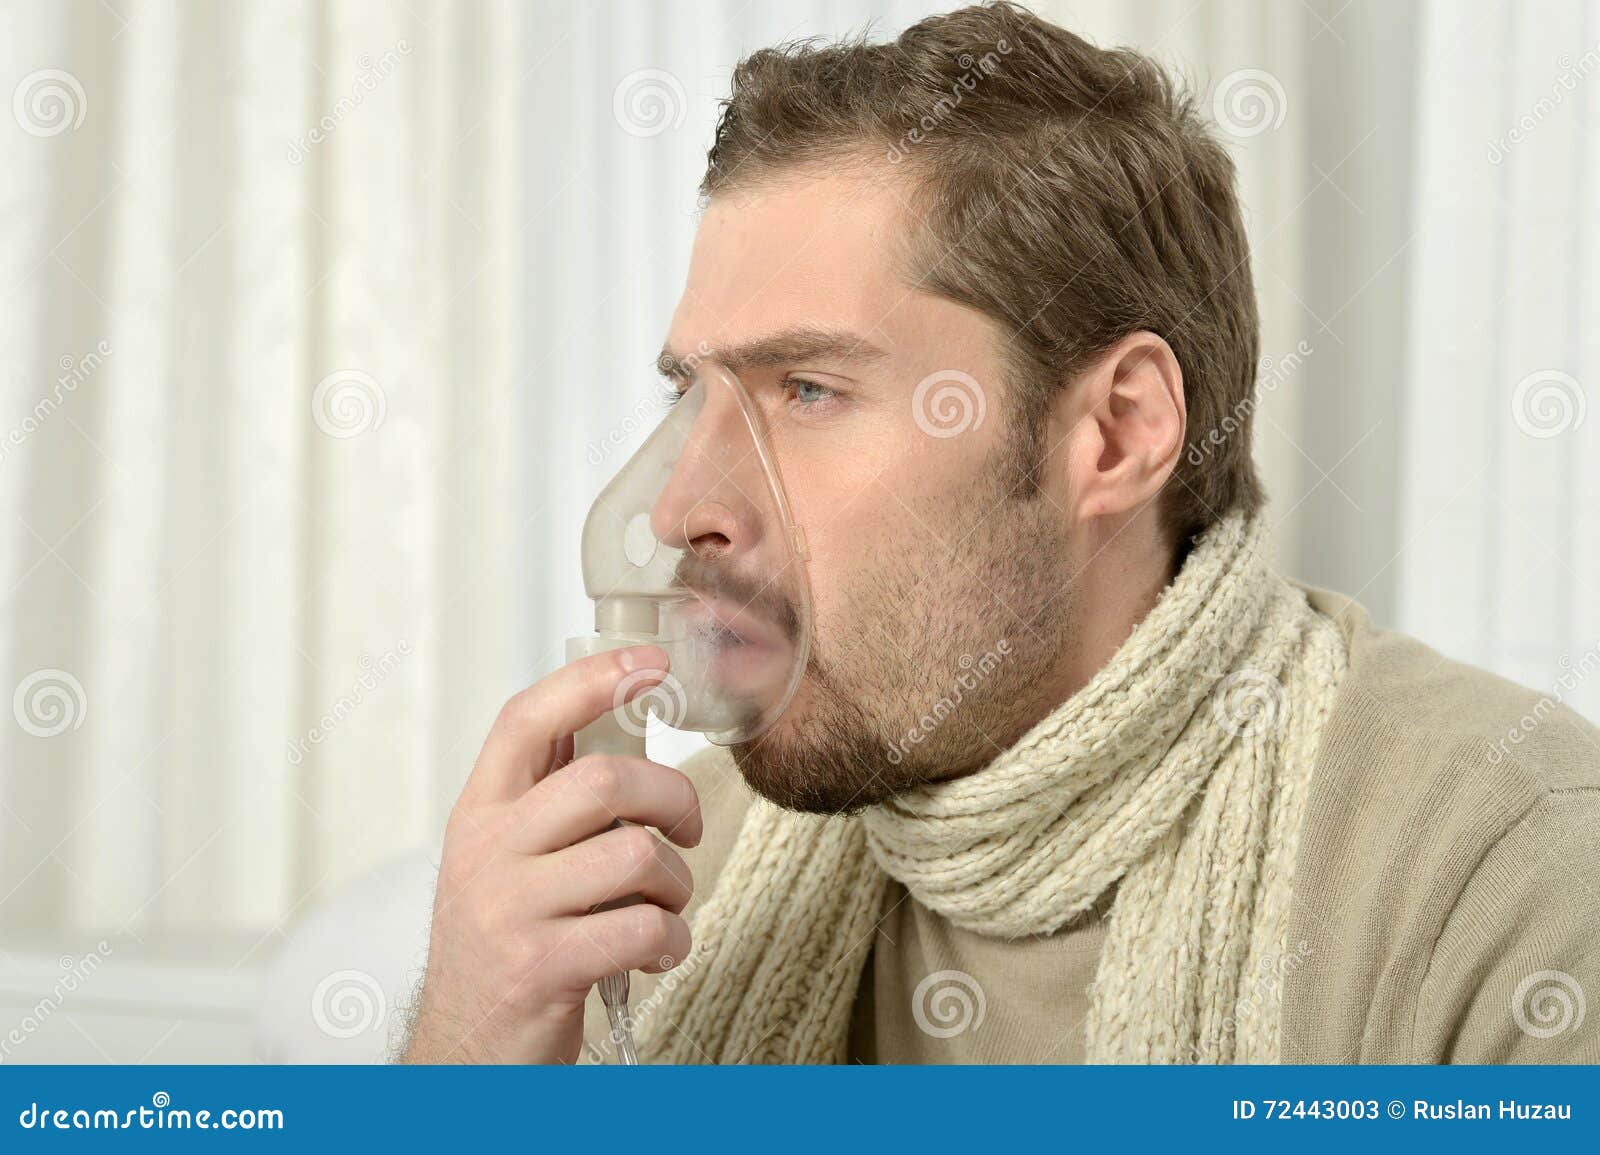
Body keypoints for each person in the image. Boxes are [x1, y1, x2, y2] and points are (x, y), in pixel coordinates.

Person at [398, 1, 1600, 1065]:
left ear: (1115, 434)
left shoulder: (1505, 880)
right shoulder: (668, 882)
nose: (675, 510)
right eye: (689, 395)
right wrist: (467, 1051)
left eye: (807, 390)